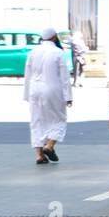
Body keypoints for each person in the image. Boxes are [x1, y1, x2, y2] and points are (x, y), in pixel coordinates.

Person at [24, 25, 71, 165]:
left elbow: (27, 75)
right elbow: (64, 77)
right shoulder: (58, 52)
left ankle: (39, 155)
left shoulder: (33, 52)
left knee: (36, 120)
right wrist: (68, 96)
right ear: (54, 37)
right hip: (52, 90)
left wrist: (26, 94)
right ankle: (49, 146)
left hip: (34, 89)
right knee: (58, 119)